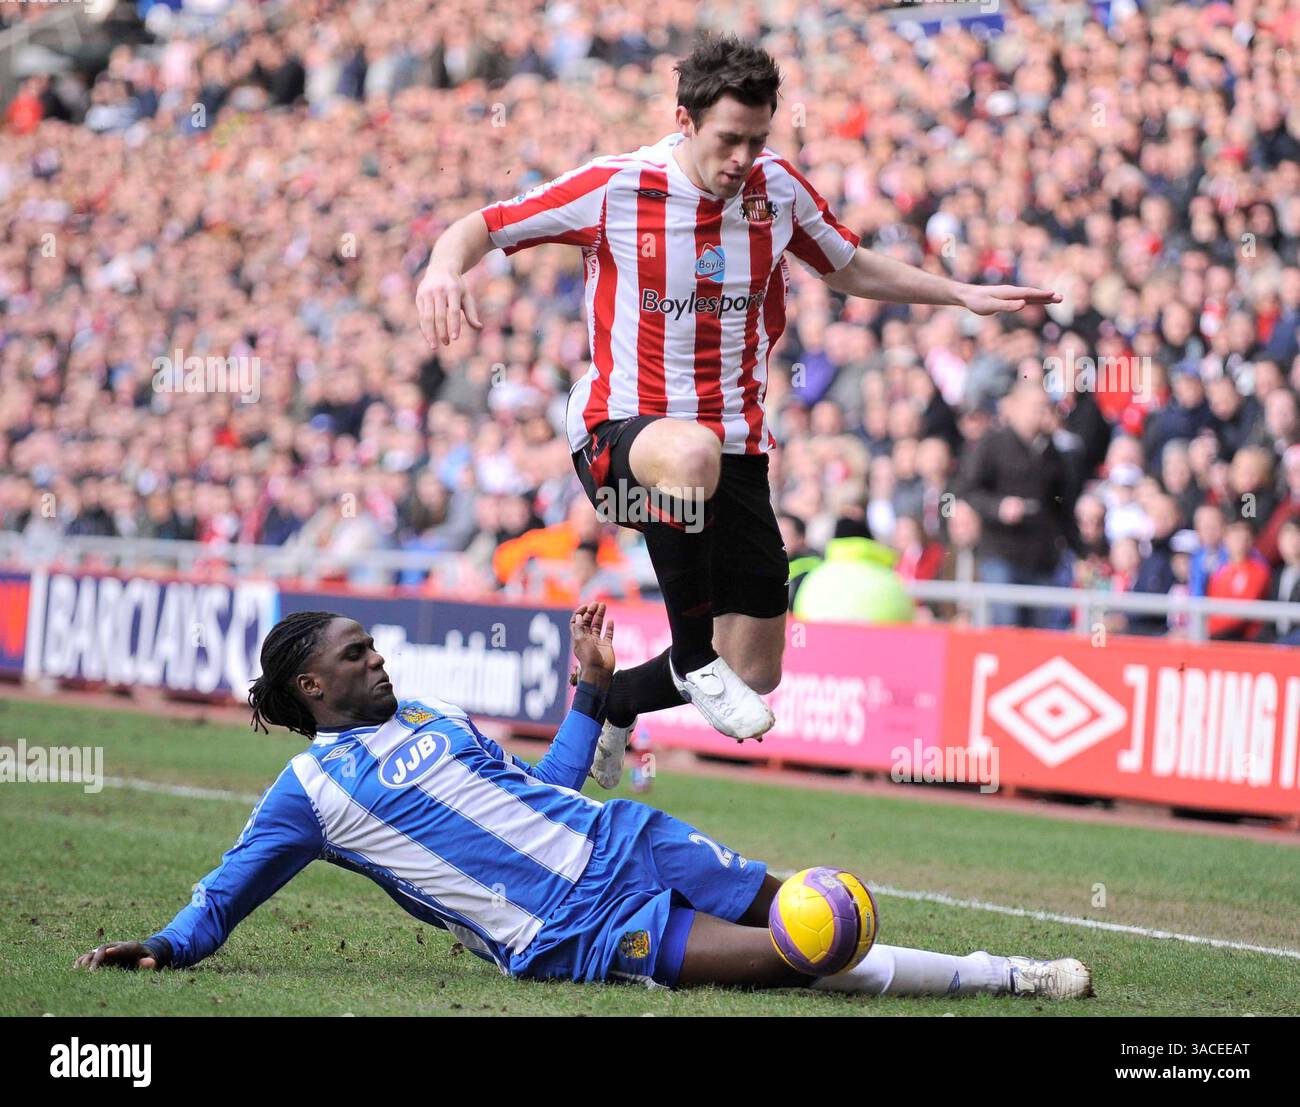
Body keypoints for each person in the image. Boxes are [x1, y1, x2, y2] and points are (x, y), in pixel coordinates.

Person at [416, 33, 1060, 762]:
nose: (741, 160)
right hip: (618, 430)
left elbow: (847, 267)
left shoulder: (775, 188)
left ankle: (615, 698)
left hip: (736, 446)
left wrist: (957, 294)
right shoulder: (617, 187)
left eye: (756, 141)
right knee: (689, 458)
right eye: (728, 140)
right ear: (685, 121)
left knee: (757, 668)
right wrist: (443, 270)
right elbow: (484, 226)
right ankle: (694, 660)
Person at [73, 605, 1091, 1001]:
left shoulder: (430, 712)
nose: (375, 658)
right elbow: (228, 891)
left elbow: (545, 790)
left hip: (631, 840)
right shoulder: (308, 796)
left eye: (372, 645)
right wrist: (166, 945)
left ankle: (1012, 977)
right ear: (310, 686)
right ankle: (1002, 979)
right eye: (354, 654)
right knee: (798, 953)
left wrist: (590, 691)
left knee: (807, 911)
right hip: (577, 927)